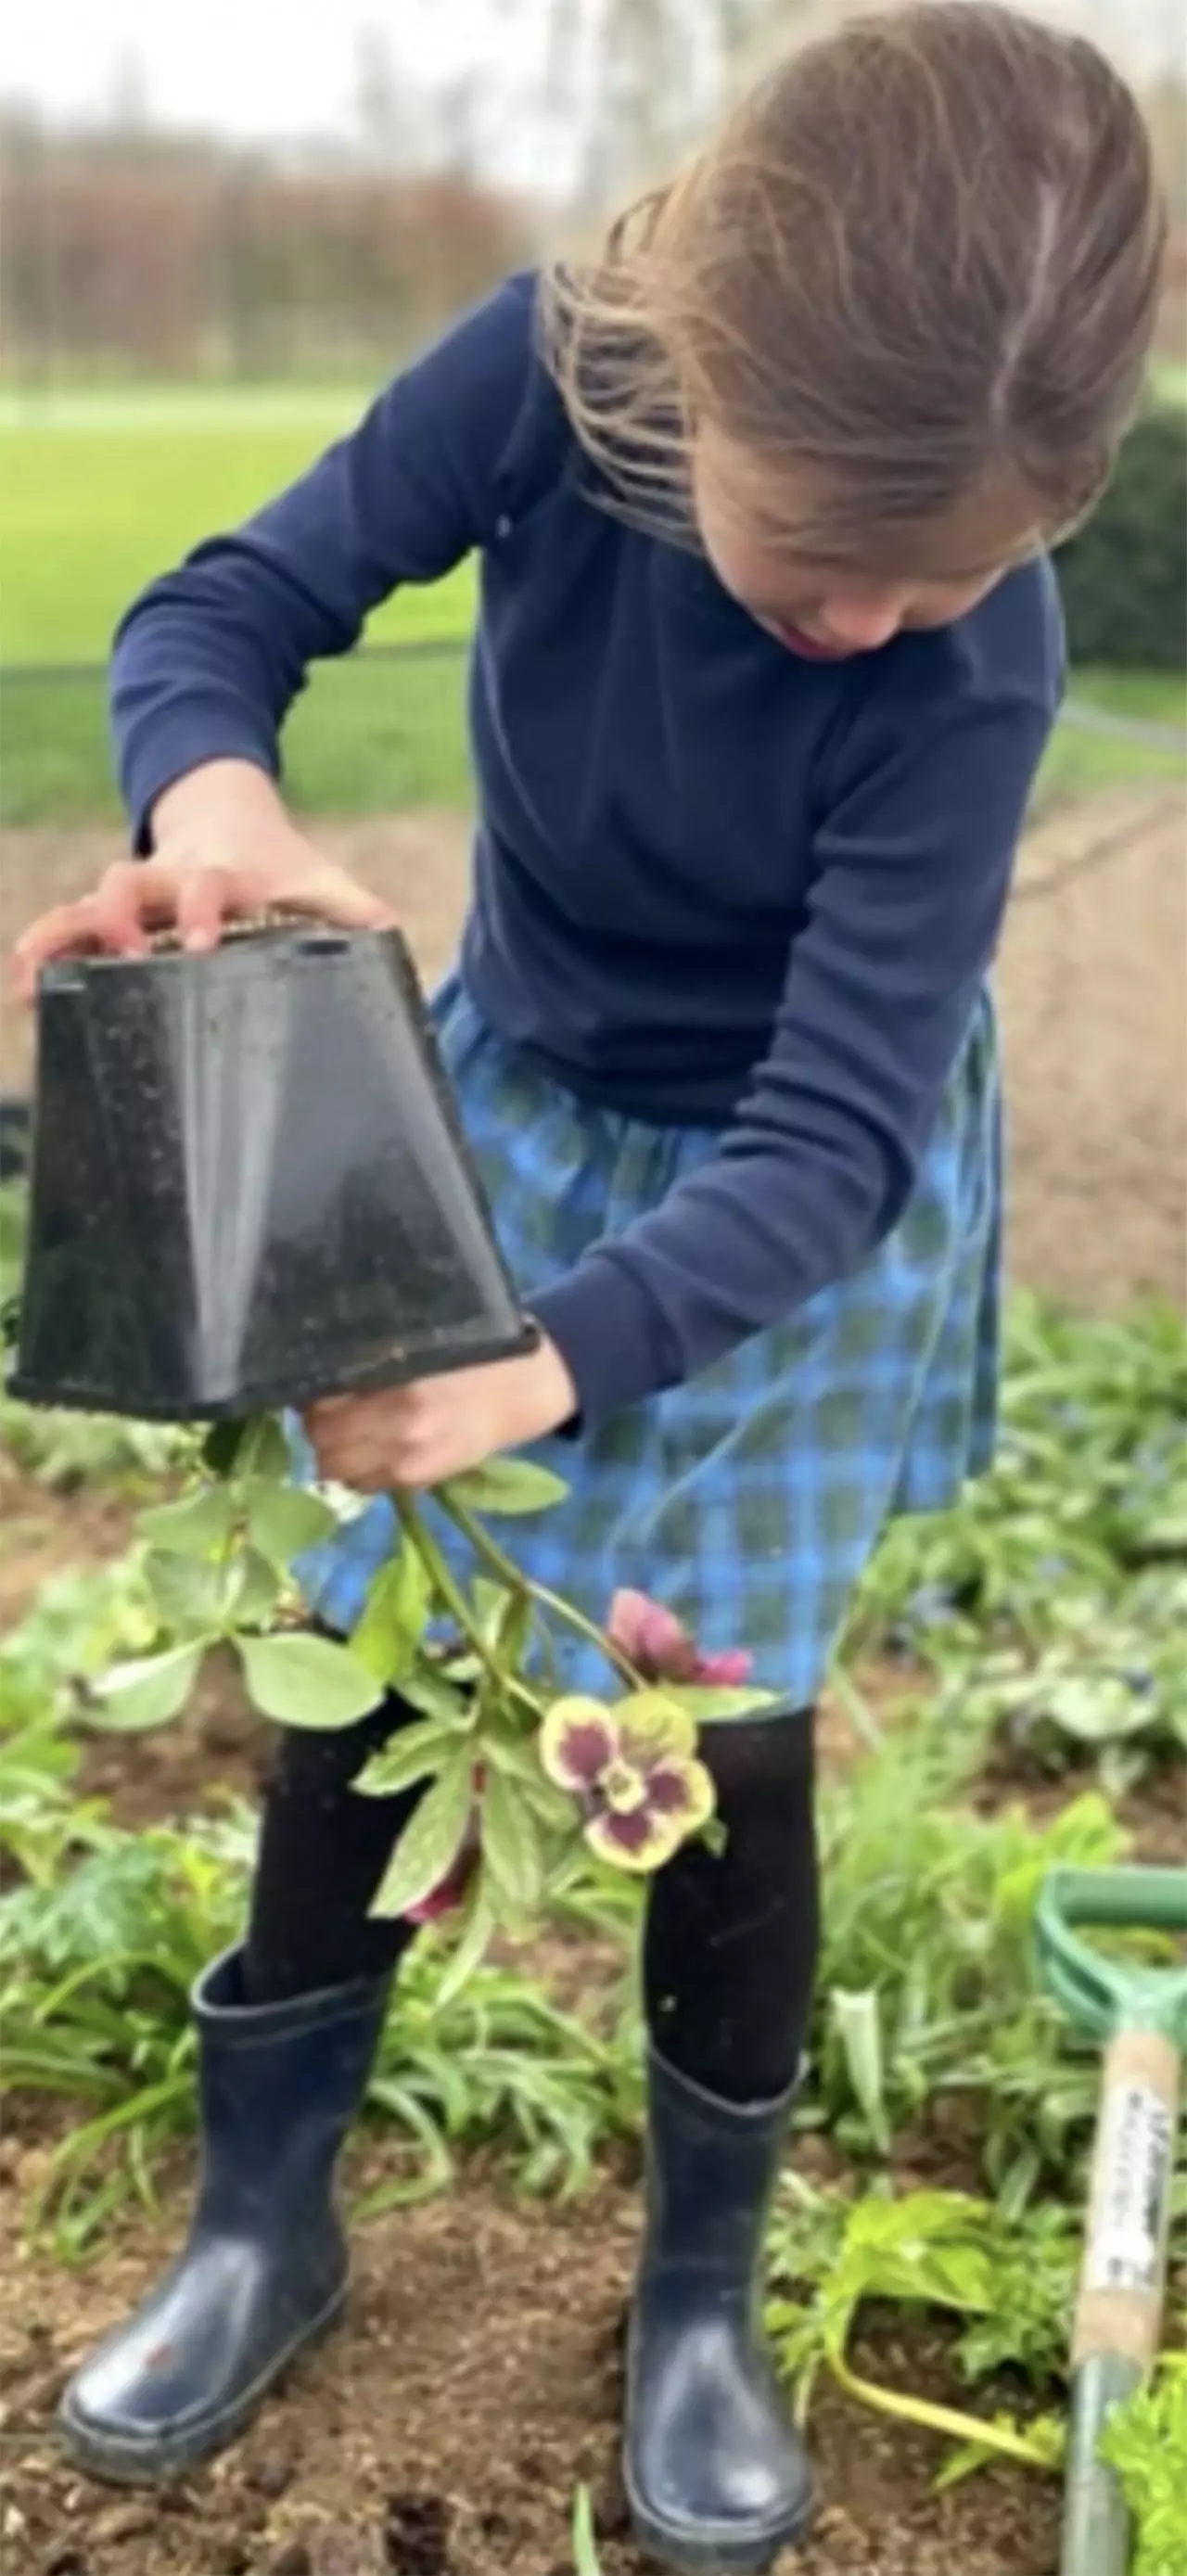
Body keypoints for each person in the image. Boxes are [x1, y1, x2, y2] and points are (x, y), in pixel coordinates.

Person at [13, 6, 1163, 2566]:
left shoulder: (966, 659)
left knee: (716, 1738)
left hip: (783, 1204)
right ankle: (261, 2220)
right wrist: (222, 821)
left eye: (940, 575)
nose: (869, 619)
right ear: (695, 381)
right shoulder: (552, 372)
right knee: (367, 1677)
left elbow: (837, 1136)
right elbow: (229, 608)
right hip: (505, 1103)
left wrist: (534, 1369)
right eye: (821, 558)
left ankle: (698, 2294)